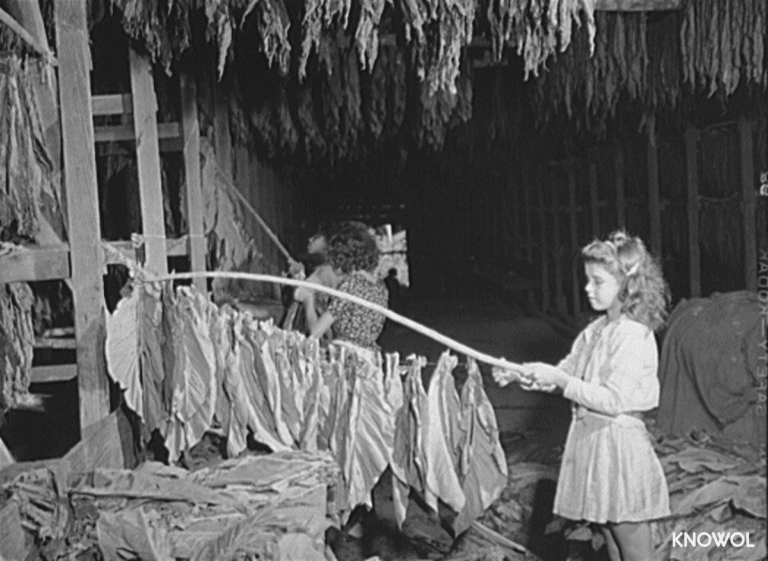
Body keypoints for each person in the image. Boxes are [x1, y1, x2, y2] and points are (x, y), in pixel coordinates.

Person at [494, 230, 671, 561]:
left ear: (627, 285)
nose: (588, 288)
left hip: (620, 446)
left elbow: (613, 400)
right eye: (587, 279)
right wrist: (521, 374)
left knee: (630, 537)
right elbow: (566, 373)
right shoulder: (596, 330)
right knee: (610, 536)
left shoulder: (633, 335)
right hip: (594, 442)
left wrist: (560, 379)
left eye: (598, 281)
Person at [295, 221, 388, 350]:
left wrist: (308, 300)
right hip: (370, 356)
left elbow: (315, 333)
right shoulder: (380, 286)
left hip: (348, 357)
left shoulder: (351, 285)